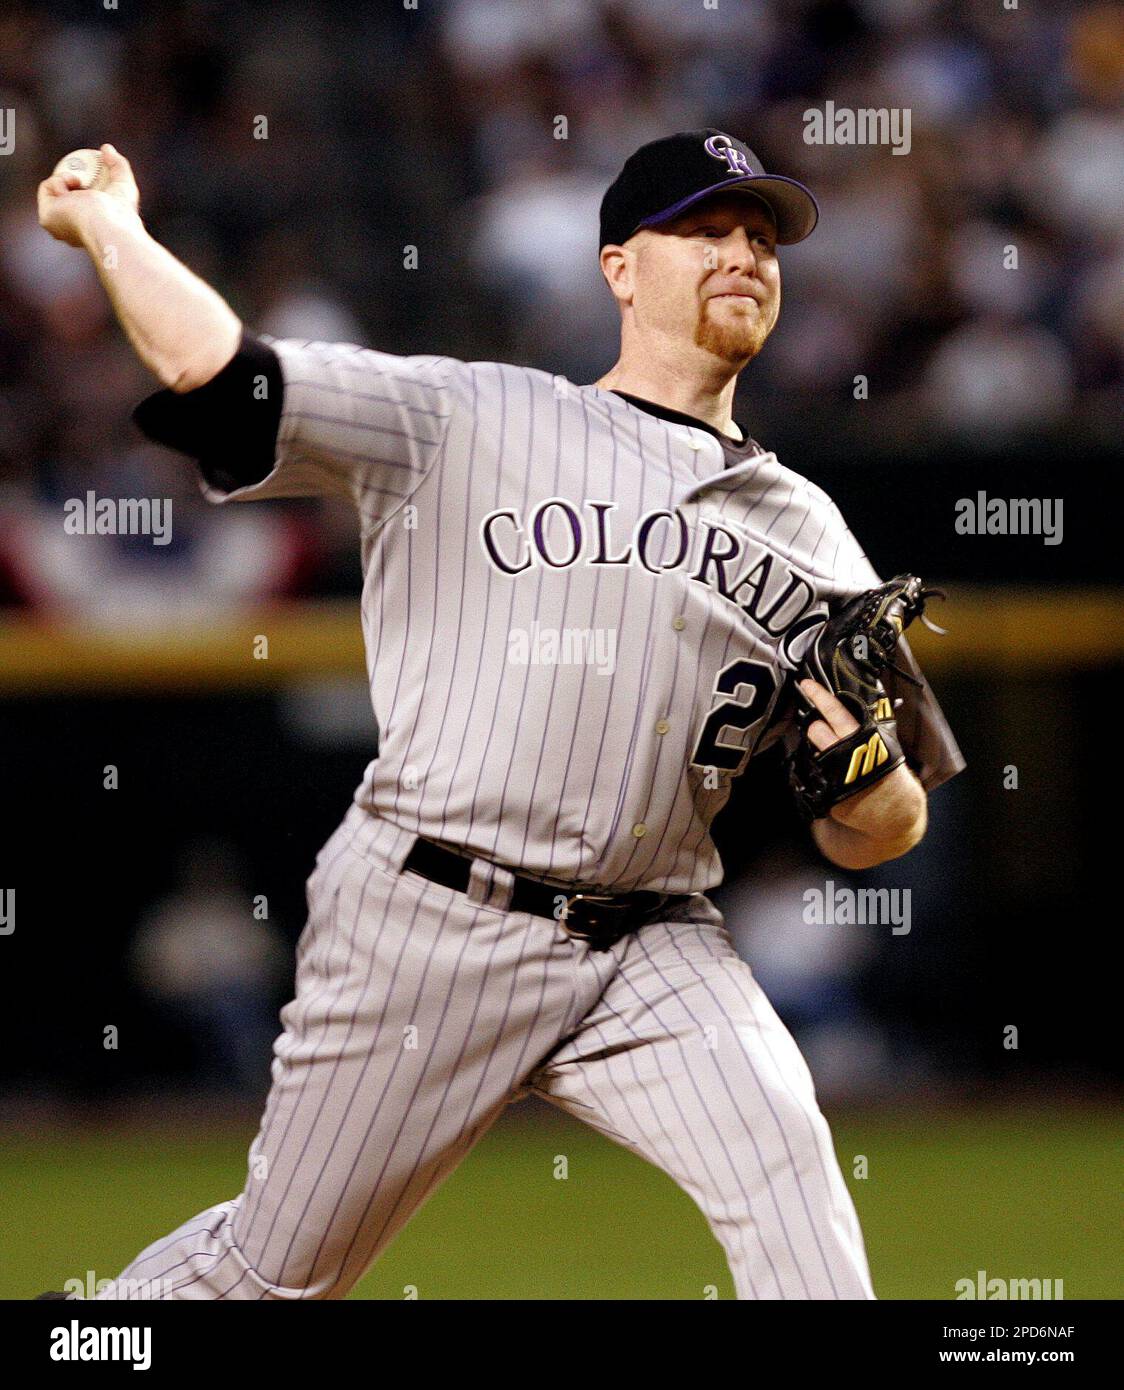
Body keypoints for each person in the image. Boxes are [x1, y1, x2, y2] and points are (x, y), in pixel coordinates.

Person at [36, 128, 962, 1300]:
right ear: (619, 267)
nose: (743, 253)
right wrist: (111, 228)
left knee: (790, 1177)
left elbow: (879, 825)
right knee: (271, 1274)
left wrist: (870, 788)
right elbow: (225, 378)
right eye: (705, 230)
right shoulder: (466, 418)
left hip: (652, 941)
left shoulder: (815, 536)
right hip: (431, 913)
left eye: (761, 236)